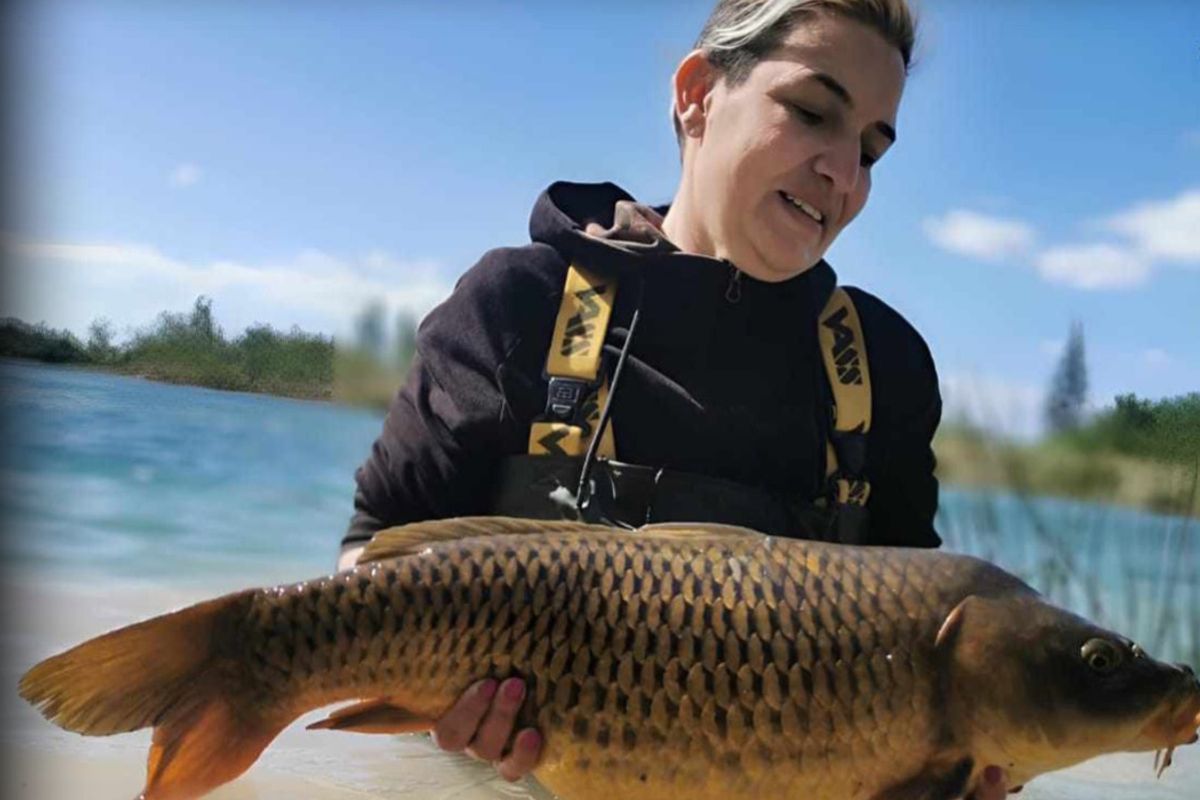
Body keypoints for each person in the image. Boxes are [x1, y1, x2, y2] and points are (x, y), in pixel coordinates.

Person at [338, 1, 1009, 797]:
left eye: (870, 148)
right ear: (696, 95)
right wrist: (443, 705)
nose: (844, 173)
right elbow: (372, 553)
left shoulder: (885, 368)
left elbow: (924, 643)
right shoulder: (520, 306)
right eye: (811, 113)